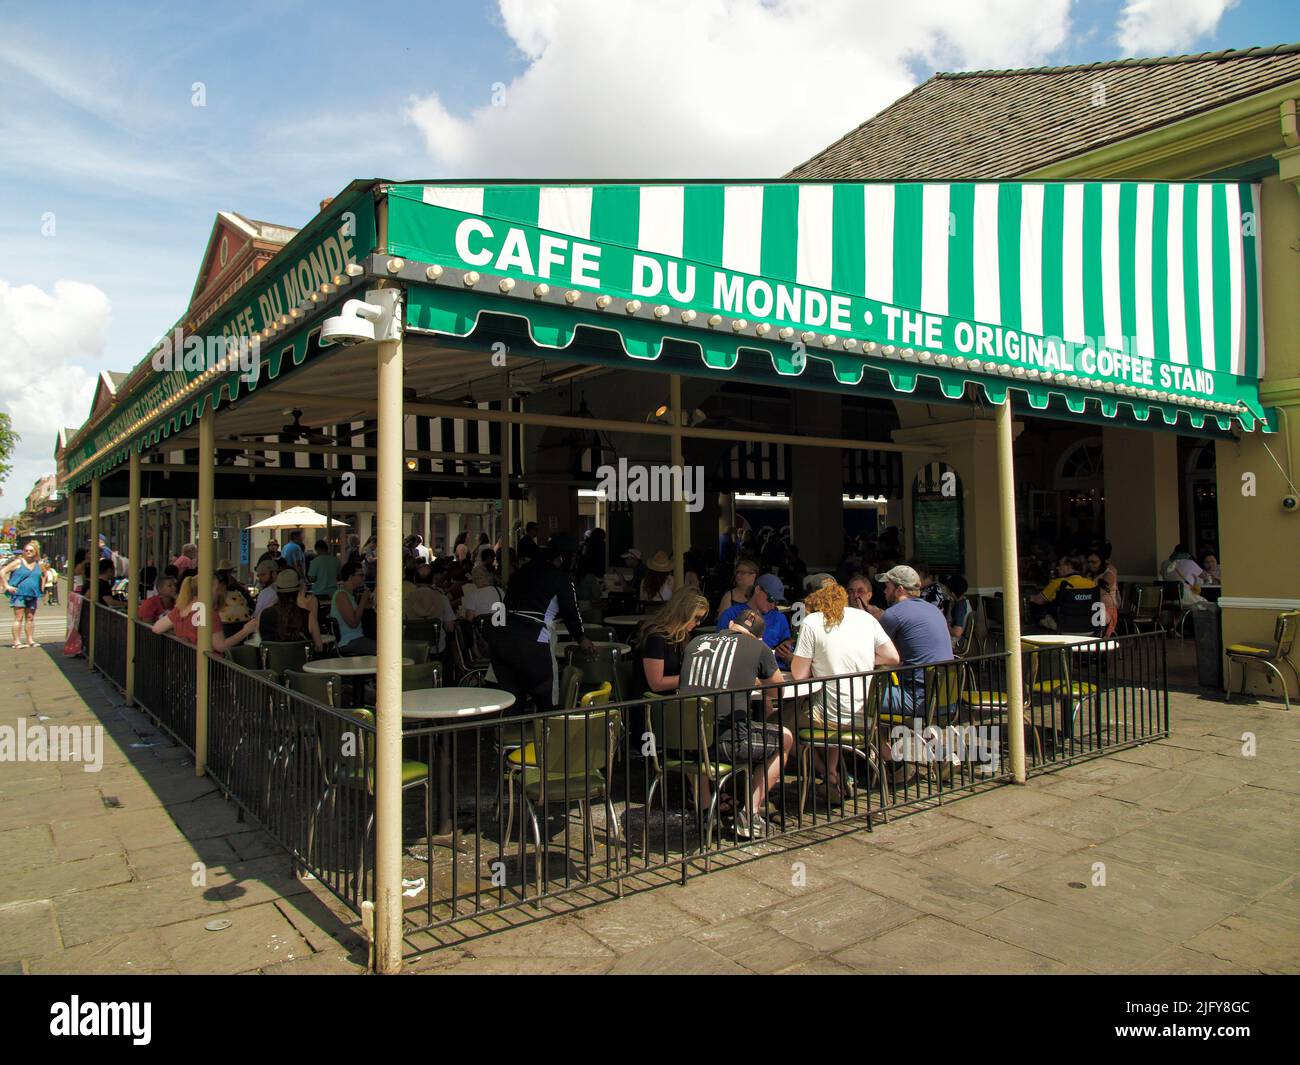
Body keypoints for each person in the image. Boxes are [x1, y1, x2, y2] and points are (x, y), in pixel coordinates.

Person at [679, 608, 789, 840]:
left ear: (730, 624)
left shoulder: (696, 642)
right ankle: (750, 814)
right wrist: (756, 679)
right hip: (728, 743)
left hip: (682, 739)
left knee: (697, 737)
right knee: (785, 738)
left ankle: (706, 809)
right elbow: (777, 692)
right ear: (758, 637)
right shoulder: (758, 648)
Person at [789, 578, 899, 801]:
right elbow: (892, 657)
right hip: (864, 715)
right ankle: (831, 774)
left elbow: (799, 675)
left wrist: (816, 662)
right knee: (830, 708)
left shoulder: (812, 621)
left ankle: (822, 773)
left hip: (830, 716)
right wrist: (865, 658)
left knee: (779, 724)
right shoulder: (865, 619)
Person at [487, 533, 594, 716]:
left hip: (500, 639)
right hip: (531, 641)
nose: (575, 561)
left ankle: (510, 738)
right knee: (546, 704)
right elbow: (571, 611)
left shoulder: (524, 570)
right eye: (573, 556)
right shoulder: (561, 578)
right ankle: (544, 740)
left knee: (511, 701)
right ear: (562, 557)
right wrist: (581, 637)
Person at [871, 565, 955, 717]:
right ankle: (884, 740)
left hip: (918, 700)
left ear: (900, 589)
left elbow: (873, 650)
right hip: (947, 699)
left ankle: (876, 740)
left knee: (858, 694)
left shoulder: (893, 614)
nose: (884, 591)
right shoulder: (933, 610)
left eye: (887, 586)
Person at [152, 575, 258, 654]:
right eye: (217, 589)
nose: (219, 593)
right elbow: (220, 646)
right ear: (207, 590)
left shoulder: (180, 609)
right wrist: (246, 630)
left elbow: (157, 628)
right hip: (208, 669)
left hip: (184, 663)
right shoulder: (208, 613)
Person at [638, 587, 709, 693]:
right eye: (696, 618)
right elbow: (656, 684)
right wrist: (696, 678)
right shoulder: (655, 638)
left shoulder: (681, 636)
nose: (698, 623)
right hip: (652, 702)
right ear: (684, 613)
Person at [716, 572, 793, 667]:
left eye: (776, 601)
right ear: (757, 589)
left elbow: (787, 648)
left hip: (773, 671)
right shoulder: (731, 614)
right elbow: (719, 649)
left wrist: (786, 654)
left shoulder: (779, 618)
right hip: (739, 668)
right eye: (771, 599)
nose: (773, 605)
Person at [259, 569, 323, 651]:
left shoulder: (265, 615)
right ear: (297, 592)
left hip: (274, 663)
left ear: (277, 592)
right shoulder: (308, 616)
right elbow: (319, 647)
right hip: (302, 663)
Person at [2, 540, 49, 648]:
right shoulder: (19, 562)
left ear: (36, 552)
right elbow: (3, 571)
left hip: (33, 594)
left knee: (30, 617)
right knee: (18, 617)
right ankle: (17, 642)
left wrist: (42, 587)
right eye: (26, 550)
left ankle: (30, 640)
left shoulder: (39, 564)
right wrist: (7, 586)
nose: (28, 552)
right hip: (19, 594)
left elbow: (45, 575)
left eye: (31, 550)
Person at [1030, 556, 1097, 628]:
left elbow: (1038, 601)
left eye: (1060, 565)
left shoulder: (1058, 583)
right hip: (1087, 627)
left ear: (1068, 567)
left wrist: (1029, 597)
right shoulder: (1092, 584)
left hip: (1063, 626)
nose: (1057, 568)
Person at [405, 565, 456, 652]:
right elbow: (450, 627)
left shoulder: (406, 599)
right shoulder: (442, 598)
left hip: (412, 648)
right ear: (433, 580)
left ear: (414, 580)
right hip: (437, 647)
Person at [330, 561, 374, 656]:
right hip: (347, 641)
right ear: (350, 577)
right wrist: (363, 600)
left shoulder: (350, 595)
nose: (363, 578)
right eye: (360, 575)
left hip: (356, 638)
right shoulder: (341, 595)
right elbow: (353, 623)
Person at [1084, 550, 1119, 637]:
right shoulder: (1090, 574)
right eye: (1088, 562)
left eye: (1094, 562)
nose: (1090, 565)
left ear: (1102, 562)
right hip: (1093, 608)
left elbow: (1098, 592)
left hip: (1107, 609)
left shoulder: (1108, 574)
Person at [944, 574, 973, 647]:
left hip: (952, 642)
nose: (945, 590)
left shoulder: (959, 606)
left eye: (946, 589)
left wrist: (943, 624)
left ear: (952, 593)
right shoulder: (964, 602)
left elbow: (957, 632)